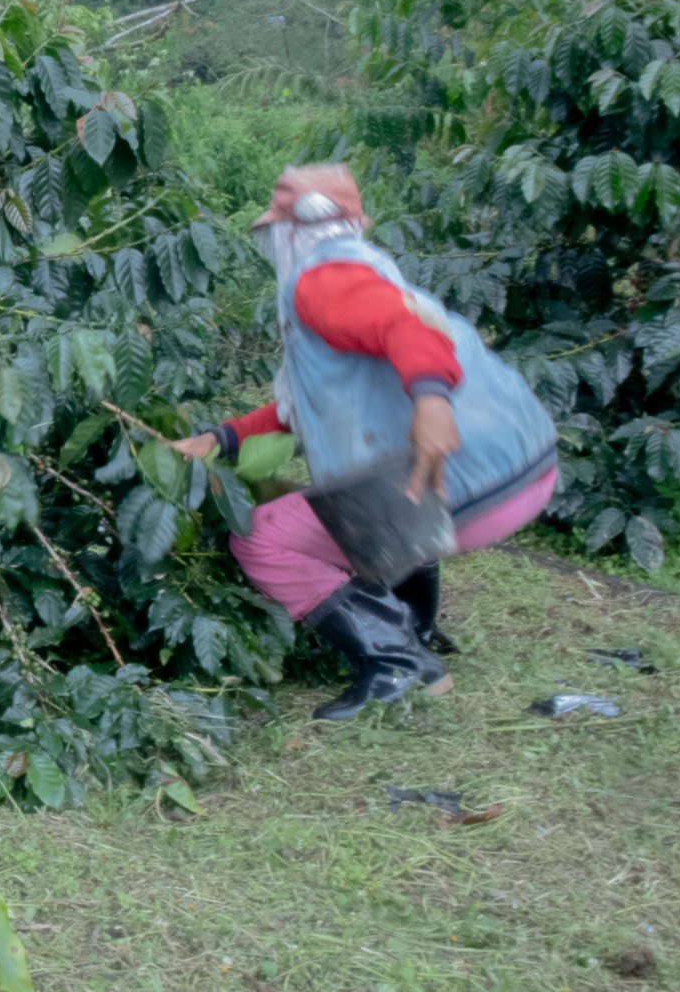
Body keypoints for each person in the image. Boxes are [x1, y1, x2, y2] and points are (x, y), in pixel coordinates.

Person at [170, 165, 559, 720]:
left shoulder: (319, 279)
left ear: (283, 234)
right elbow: (302, 408)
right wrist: (218, 440)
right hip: (525, 467)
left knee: (259, 538)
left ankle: (399, 663)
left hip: (462, 483)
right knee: (361, 489)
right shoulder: (369, 269)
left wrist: (430, 402)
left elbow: (410, 332)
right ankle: (414, 628)